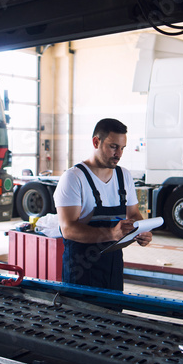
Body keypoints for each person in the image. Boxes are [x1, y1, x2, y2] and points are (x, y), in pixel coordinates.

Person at [54, 118, 152, 290]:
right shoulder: (74, 178)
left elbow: (134, 213)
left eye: (122, 148)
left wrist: (141, 229)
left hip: (112, 268)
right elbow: (68, 229)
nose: (119, 154)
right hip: (80, 272)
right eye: (113, 147)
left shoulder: (124, 176)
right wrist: (112, 234)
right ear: (96, 142)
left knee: (112, 315)